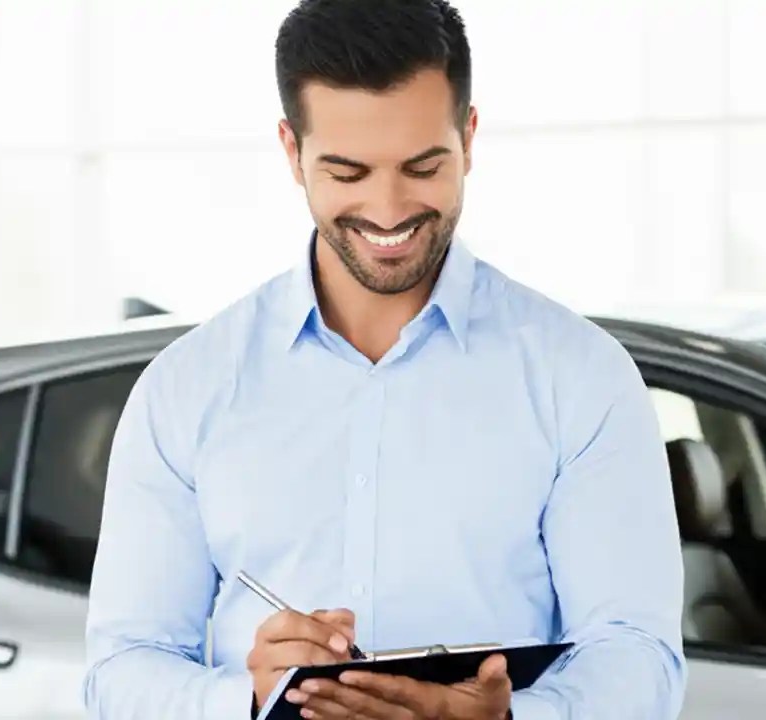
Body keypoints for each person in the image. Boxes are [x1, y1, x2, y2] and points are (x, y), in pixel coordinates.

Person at [82, 1, 685, 718]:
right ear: (290, 151)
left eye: (423, 166)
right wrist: (246, 697)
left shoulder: (580, 376)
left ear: (468, 137)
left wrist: (512, 719)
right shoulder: (186, 389)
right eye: (348, 171)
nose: (388, 208)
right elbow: (119, 674)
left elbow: (638, 655)